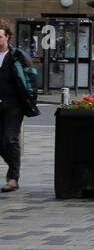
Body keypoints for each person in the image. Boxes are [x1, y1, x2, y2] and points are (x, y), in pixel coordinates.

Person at [0, 22, 39, 193]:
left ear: (7, 36)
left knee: (10, 139)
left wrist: (30, 99)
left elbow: (31, 77)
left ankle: (13, 178)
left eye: (0, 35)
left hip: (13, 105)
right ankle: (13, 170)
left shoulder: (17, 55)